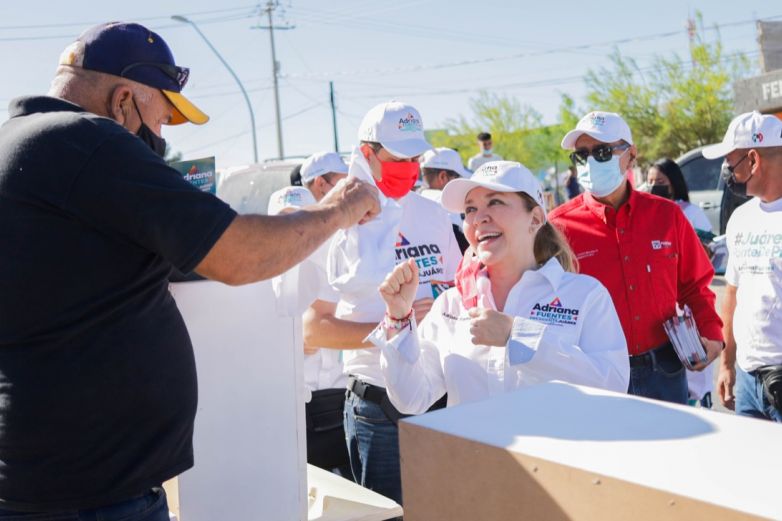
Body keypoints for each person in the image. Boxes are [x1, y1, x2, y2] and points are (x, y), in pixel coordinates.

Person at [0, 22, 378, 516]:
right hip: (90, 493)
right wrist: (337, 211)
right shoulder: (88, 141)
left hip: (55, 477)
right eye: (161, 117)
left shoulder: (24, 143)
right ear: (123, 102)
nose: (161, 138)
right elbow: (237, 255)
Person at [369, 161, 629, 414]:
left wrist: (517, 336)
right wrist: (399, 318)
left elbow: (613, 386)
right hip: (473, 458)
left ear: (536, 218)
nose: (479, 218)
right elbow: (411, 399)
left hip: (554, 457)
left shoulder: (584, 295)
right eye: (469, 209)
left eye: (495, 202)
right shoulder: (452, 303)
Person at [305, 101, 461, 504]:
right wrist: (394, 331)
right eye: (398, 158)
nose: (410, 167)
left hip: (442, 394)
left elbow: (455, 287)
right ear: (367, 154)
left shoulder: (434, 213)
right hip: (378, 407)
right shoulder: (333, 221)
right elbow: (315, 328)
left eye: (416, 157)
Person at [549, 111, 723, 405]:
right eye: (582, 155)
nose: (591, 162)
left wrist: (710, 331)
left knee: (673, 449)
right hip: (595, 373)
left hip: (664, 369)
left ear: (631, 156)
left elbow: (694, 284)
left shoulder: (667, 216)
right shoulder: (557, 228)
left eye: (602, 151)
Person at [267, 151, 351, 476]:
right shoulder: (254, 280)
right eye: (283, 220)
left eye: (299, 219)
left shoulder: (337, 266)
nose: (293, 230)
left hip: (336, 401)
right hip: (285, 410)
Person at [703, 111, 782, 422]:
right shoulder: (741, 218)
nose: (727, 172)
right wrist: (727, 363)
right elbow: (733, 296)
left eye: (730, 162)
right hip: (748, 381)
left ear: (753, 159)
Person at [646, 158, 714, 408]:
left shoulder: (689, 213)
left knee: (694, 371)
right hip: (663, 309)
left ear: (674, 183)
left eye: (660, 182)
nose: (654, 186)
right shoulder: (649, 213)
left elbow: (710, 254)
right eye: (650, 181)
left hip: (685, 308)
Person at [419, 147, 471, 252]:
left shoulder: (416, 199)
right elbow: (463, 250)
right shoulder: (446, 204)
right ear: (443, 177)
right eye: (457, 177)